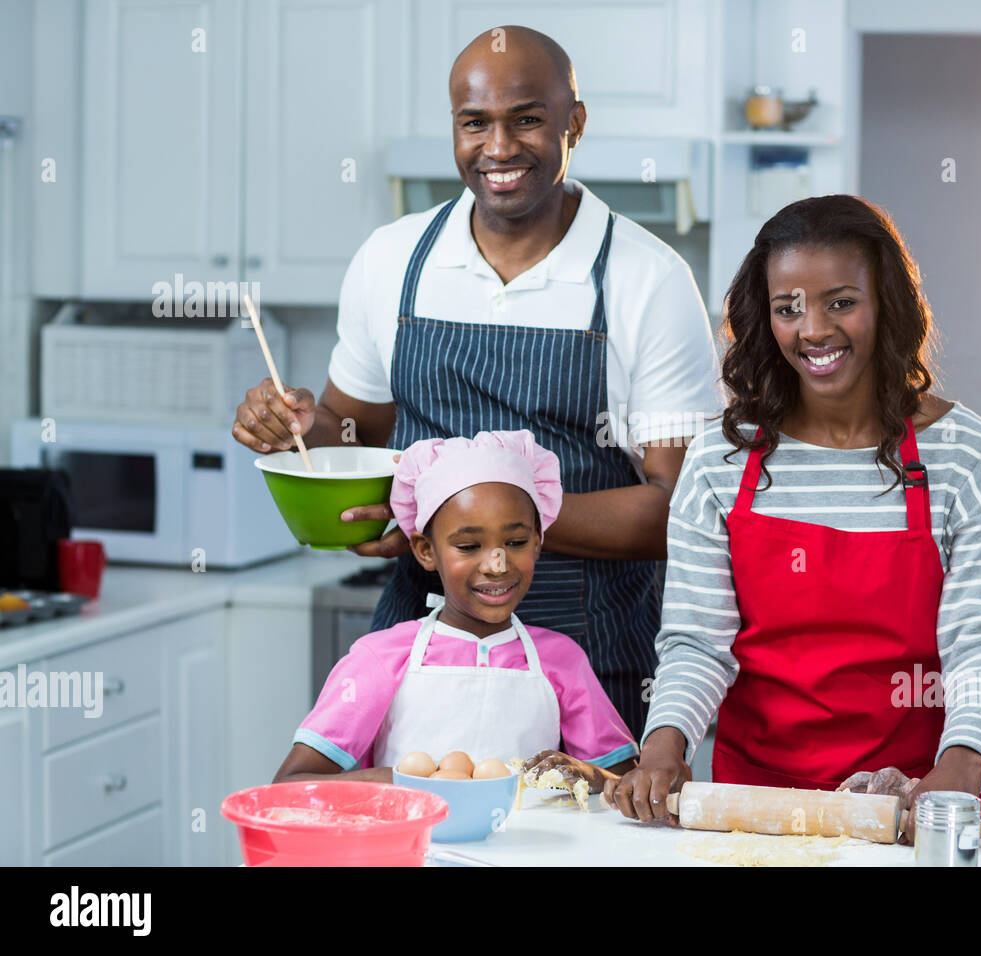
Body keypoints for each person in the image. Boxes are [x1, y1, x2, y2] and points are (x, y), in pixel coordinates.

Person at [233, 26, 722, 740]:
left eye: (526, 118)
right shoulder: (392, 260)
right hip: (420, 651)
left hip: (592, 657)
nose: (498, 148)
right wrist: (300, 432)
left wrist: (469, 520)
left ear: (573, 124)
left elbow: (680, 509)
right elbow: (352, 430)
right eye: (475, 123)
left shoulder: (647, 280)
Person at [607, 195, 981, 843]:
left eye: (841, 301)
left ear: (887, 301)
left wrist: (960, 764)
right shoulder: (722, 458)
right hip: (752, 805)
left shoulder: (964, 454)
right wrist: (663, 747)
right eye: (787, 308)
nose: (813, 330)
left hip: (909, 800)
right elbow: (697, 641)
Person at [273, 430, 637, 783]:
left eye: (515, 541)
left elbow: (622, 782)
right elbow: (291, 783)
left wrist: (583, 776)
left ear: (538, 542)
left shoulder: (563, 661)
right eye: (468, 546)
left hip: (529, 848)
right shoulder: (381, 658)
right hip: (411, 846)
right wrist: (392, 782)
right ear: (425, 550)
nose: (497, 563)